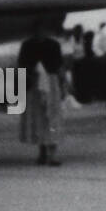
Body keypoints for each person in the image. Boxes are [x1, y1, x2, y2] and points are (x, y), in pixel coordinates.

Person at [17, 21, 64, 165]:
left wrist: (63, 85)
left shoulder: (53, 45)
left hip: (50, 81)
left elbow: (59, 66)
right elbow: (22, 64)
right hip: (35, 82)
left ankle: (52, 153)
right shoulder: (28, 45)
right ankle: (43, 151)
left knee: (52, 117)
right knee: (39, 118)